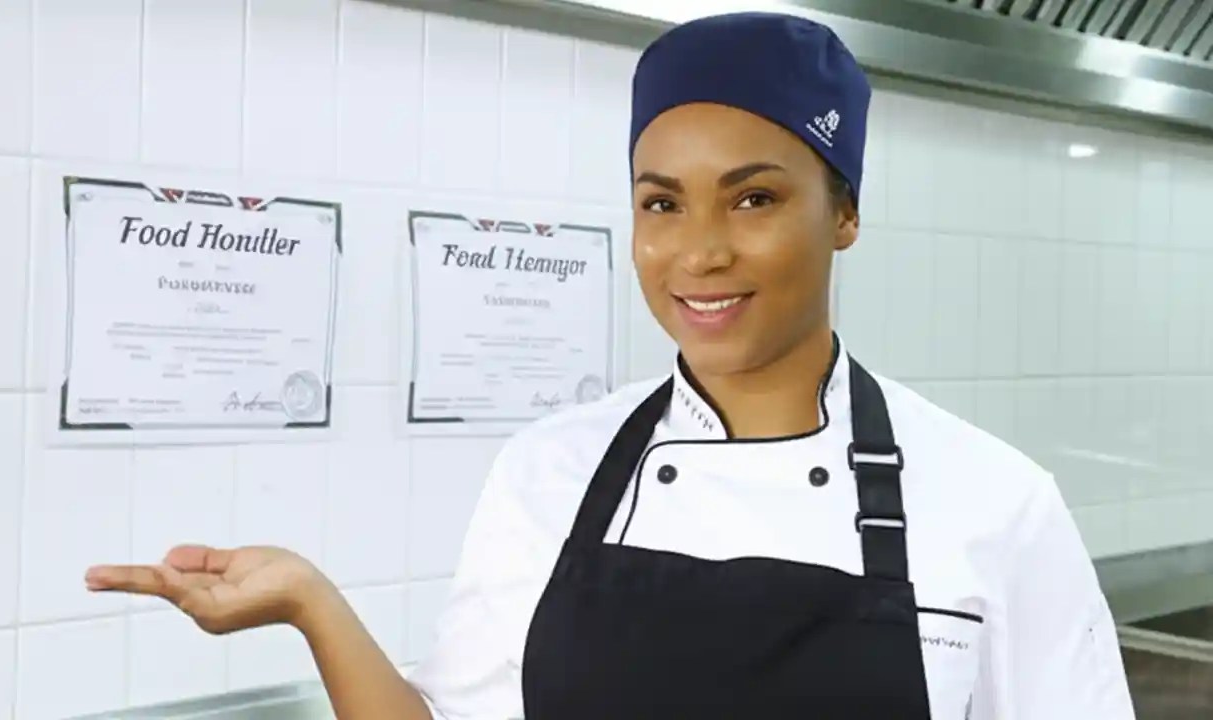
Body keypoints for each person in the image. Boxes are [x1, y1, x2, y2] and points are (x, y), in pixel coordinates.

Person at [85, 11, 1137, 719]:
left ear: (844, 213)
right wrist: (313, 602)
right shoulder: (552, 470)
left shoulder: (992, 504)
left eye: (754, 197)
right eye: (659, 202)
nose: (698, 252)